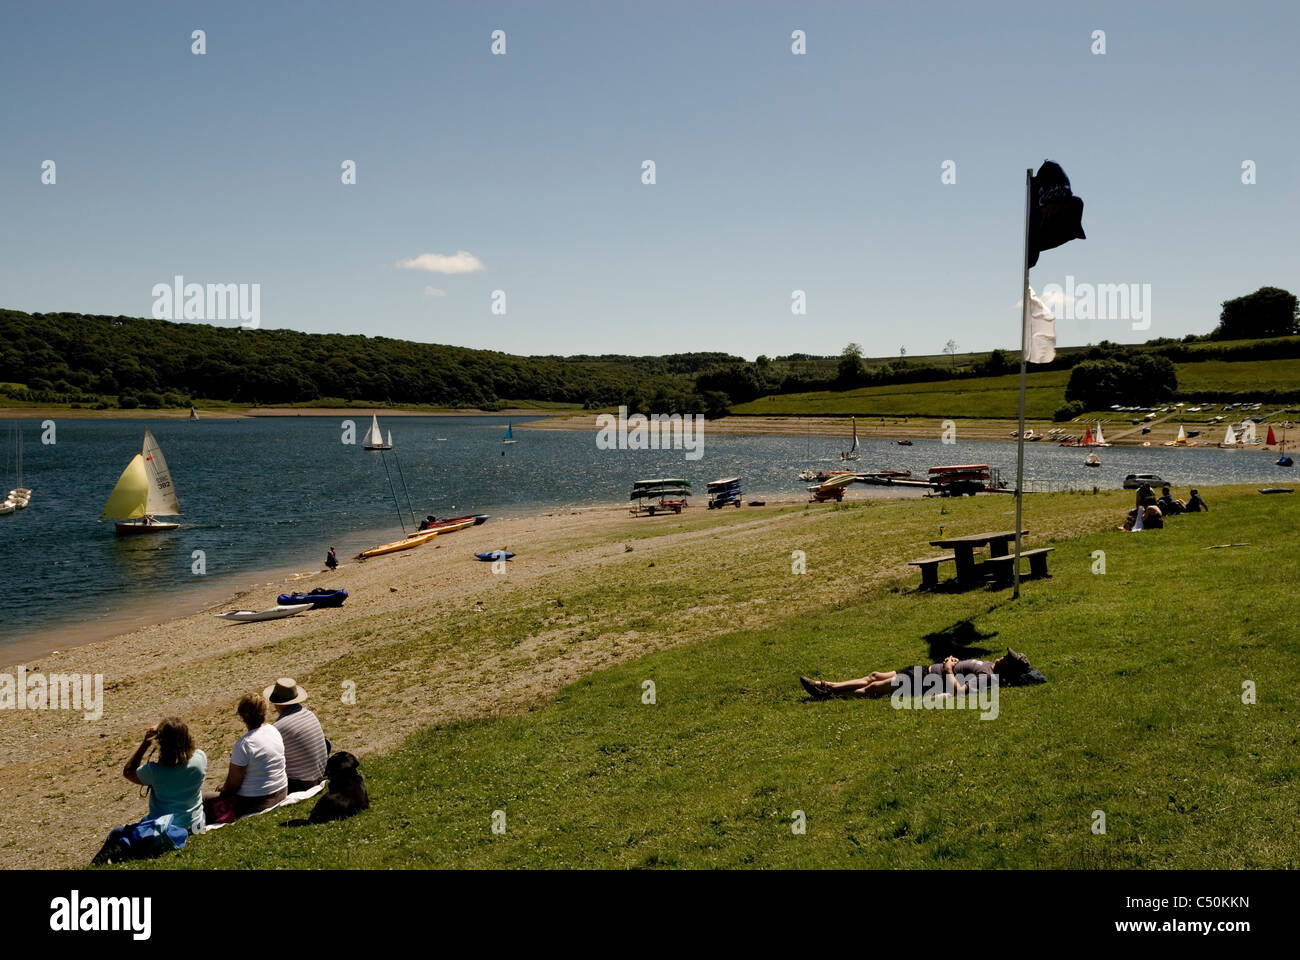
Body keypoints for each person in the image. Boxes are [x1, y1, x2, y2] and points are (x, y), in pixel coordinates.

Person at [800, 649, 1043, 700]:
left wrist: (948, 669)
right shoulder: (989, 666)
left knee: (874, 689)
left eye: (1007, 659)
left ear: (1009, 667)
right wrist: (954, 661)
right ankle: (827, 685)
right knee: (875, 675)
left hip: (927, 682)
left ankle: (828, 693)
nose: (1002, 656)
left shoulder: (989, 678)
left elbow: (957, 691)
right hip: (924, 670)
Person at [206, 693, 288, 818]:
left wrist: (223, 787)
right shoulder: (273, 730)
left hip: (255, 802)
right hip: (281, 792)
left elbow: (232, 786)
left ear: (242, 716)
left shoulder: (244, 744)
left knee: (203, 800)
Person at [122, 718, 206, 834]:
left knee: (116, 833)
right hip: (196, 825)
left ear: (160, 743)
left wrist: (145, 743)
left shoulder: (154, 771)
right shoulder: (200, 758)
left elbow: (128, 772)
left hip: (166, 829)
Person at [265, 678, 329, 793]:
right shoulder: (309, 714)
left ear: (277, 703)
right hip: (320, 773)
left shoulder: (279, 727)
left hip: (304, 784)